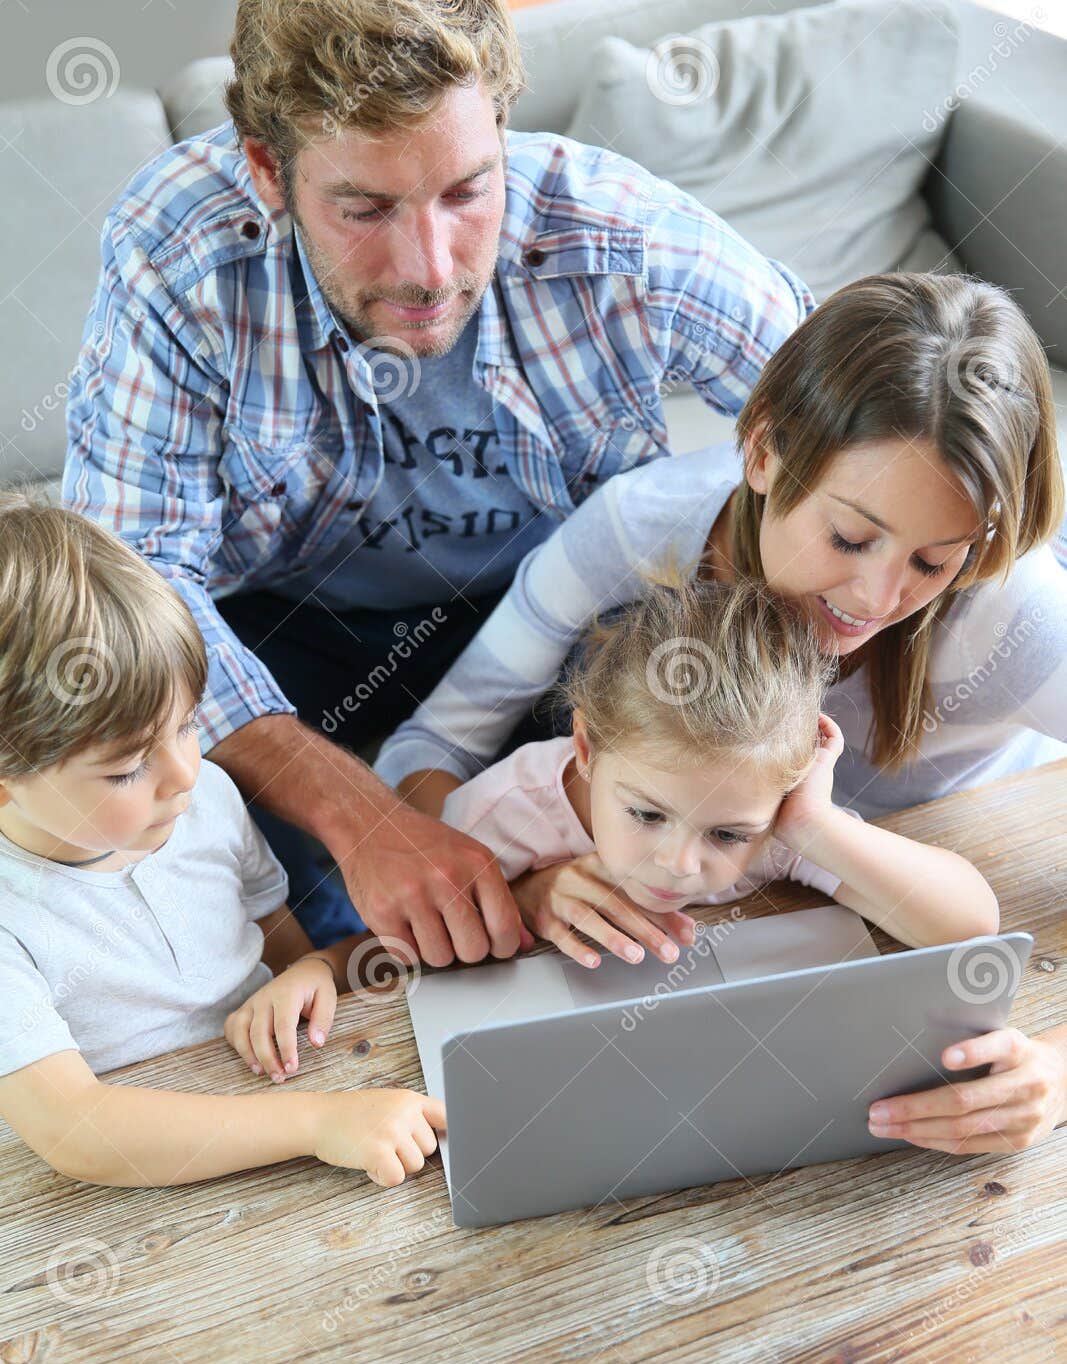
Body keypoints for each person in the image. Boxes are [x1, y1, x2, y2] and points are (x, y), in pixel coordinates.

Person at [62, 0, 814, 960]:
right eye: (364, 208)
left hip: (563, 609)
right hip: (287, 628)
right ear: (267, 171)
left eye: (467, 192)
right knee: (272, 933)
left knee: (665, 887)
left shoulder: (621, 235)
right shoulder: (181, 253)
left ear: (503, 132)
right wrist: (364, 820)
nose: (429, 270)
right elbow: (136, 580)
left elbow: (865, 414)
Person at [380, 271, 1067, 1154]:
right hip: (696, 949)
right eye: (850, 538)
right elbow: (427, 749)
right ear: (762, 454)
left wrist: (1054, 1069)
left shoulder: (1017, 617)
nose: (877, 597)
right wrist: (520, 888)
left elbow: (970, 921)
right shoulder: (638, 531)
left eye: (933, 562)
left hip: (923, 913)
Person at [0, 499, 441, 1189]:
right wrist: (316, 1124)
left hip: (298, 1113)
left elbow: (281, 950)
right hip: (134, 1206)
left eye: (186, 726)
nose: (185, 774)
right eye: (126, 767)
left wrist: (312, 975)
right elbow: (74, 1129)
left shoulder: (203, 801)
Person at [441, 575, 999, 964]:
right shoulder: (504, 810)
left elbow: (967, 925)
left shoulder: (779, 823)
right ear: (586, 749)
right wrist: (522, 900)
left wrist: (813, 826)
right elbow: (418, 945)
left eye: (727, 835)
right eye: (645, 813)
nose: (679, 864)